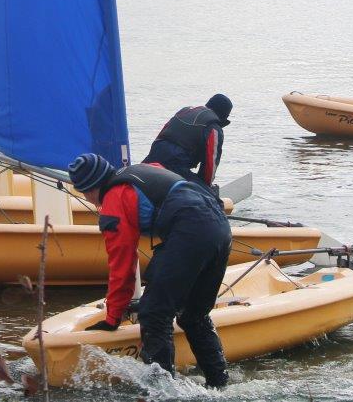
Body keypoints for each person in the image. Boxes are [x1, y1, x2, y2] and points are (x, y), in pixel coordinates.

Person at [67, 153, 230, 388]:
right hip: (221, 228)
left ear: (92, 188)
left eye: (84, 193)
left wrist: (113, 317)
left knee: (154, 314)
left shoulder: (113, 200)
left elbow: (122, 264)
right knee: (194, 317)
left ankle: (162, 391)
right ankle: (220, 385)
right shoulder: (144, 169)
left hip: (190, 230)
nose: (89, 200)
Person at [141, 94, 231, 189]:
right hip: (176, 164)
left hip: (152, 157)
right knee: (208, 196)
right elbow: (210, 165)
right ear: (224, 115)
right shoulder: (214, 128)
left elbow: (162, 135)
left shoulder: (184, 111)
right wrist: (206, 187)